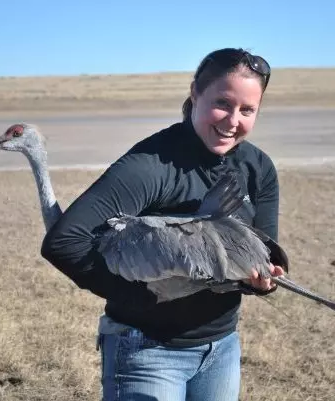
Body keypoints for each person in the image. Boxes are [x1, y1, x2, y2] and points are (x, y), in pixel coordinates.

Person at [41, 47, 285, 401]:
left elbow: (264, 252)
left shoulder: (257, 168)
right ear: (195, 93)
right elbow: (65, 241)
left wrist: (262, 283)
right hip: (146, 351)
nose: (233, 121)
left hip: (221, 347)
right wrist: (141, 296)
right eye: (222, 103)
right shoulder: (151, 165)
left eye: (247, 110)